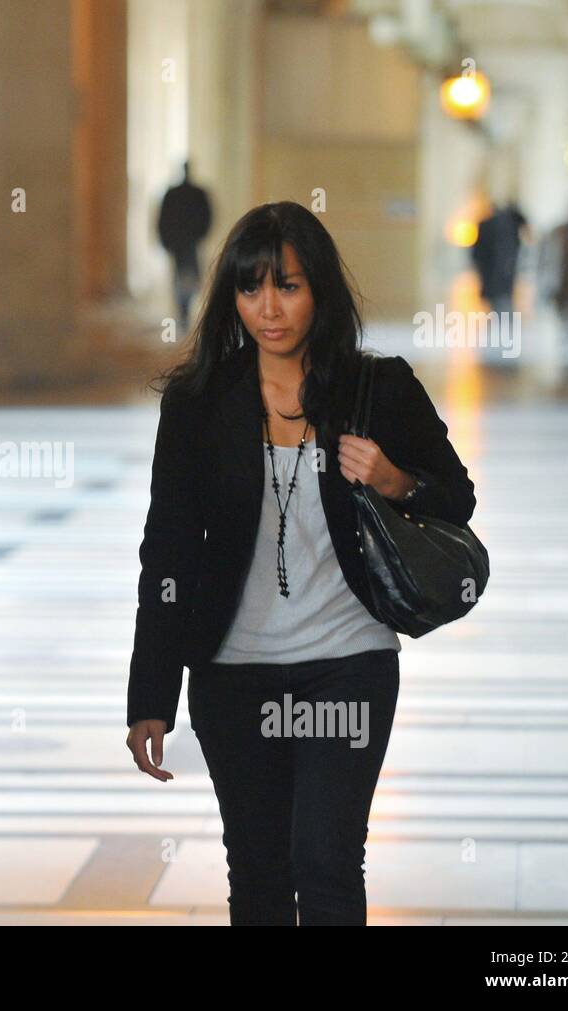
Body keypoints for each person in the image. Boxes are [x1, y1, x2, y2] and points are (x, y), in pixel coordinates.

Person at [124, 201, 476, 925]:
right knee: (257, 872)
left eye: (288, 286)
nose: (269, 308)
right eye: (251, 288)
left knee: (326, 861)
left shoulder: (378, 389)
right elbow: (168, 552)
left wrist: (394, 480)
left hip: (346, 664)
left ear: (319, 289)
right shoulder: (199, 403)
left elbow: (456, 498)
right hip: (232, 673)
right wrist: (150, 693)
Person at [157, 160, 213, 332]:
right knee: (186, 277)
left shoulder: (176, 194)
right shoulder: (196, 194)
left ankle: (184, 311)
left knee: (186, 278)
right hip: (185, 243)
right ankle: (183, 311)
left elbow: (163, 219)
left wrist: (167, 240)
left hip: (184, 243)